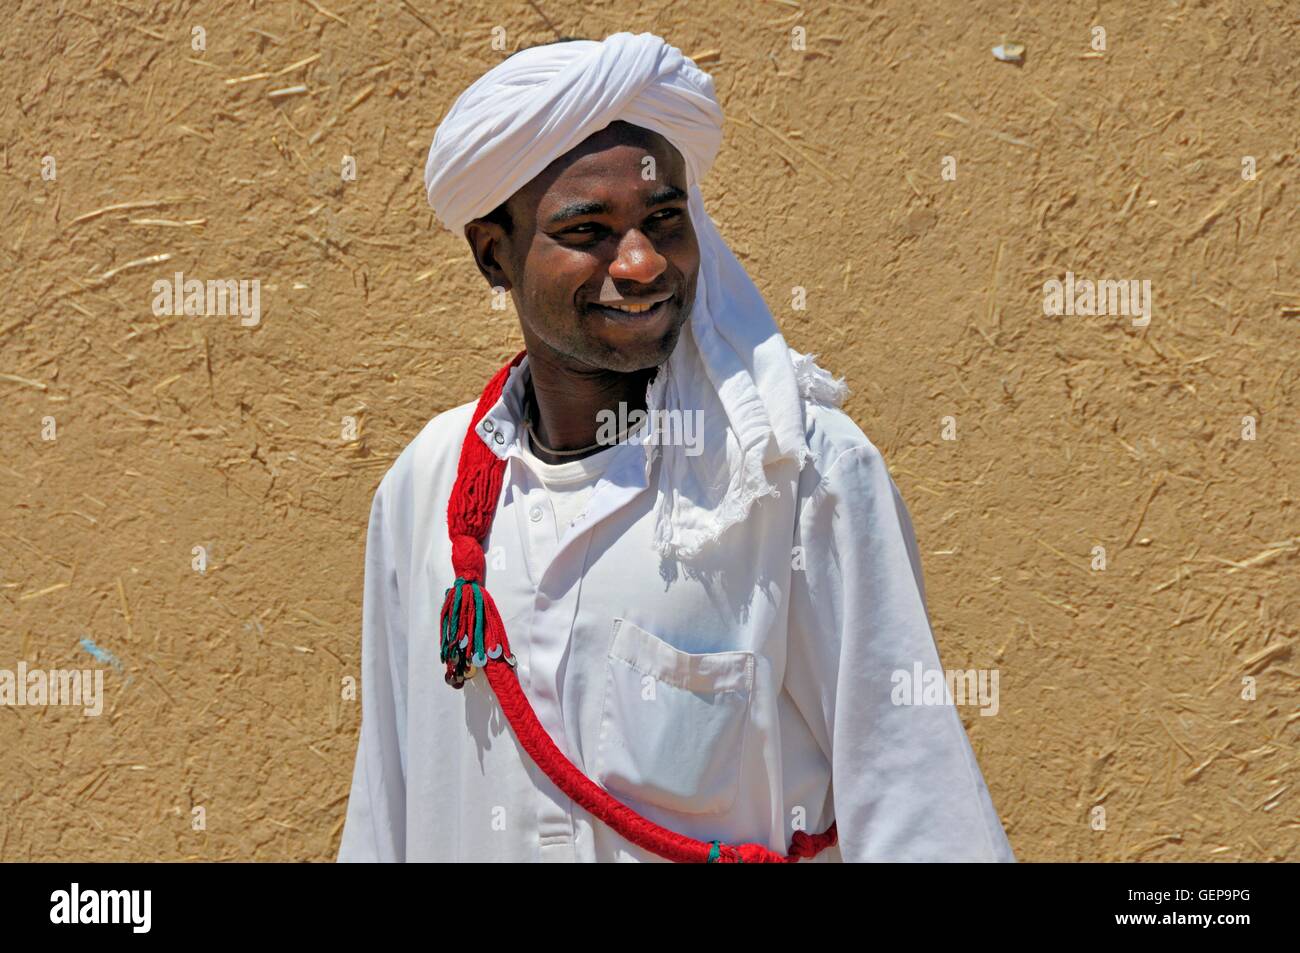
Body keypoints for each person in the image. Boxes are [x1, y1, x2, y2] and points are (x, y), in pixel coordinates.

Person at [337, 31, 1015, 862]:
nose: (641, 261)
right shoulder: (425, 488)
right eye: (587, 229)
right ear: (494, 254)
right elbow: (386, 806)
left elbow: (918, 803)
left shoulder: (797, 475)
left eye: (665, 220)